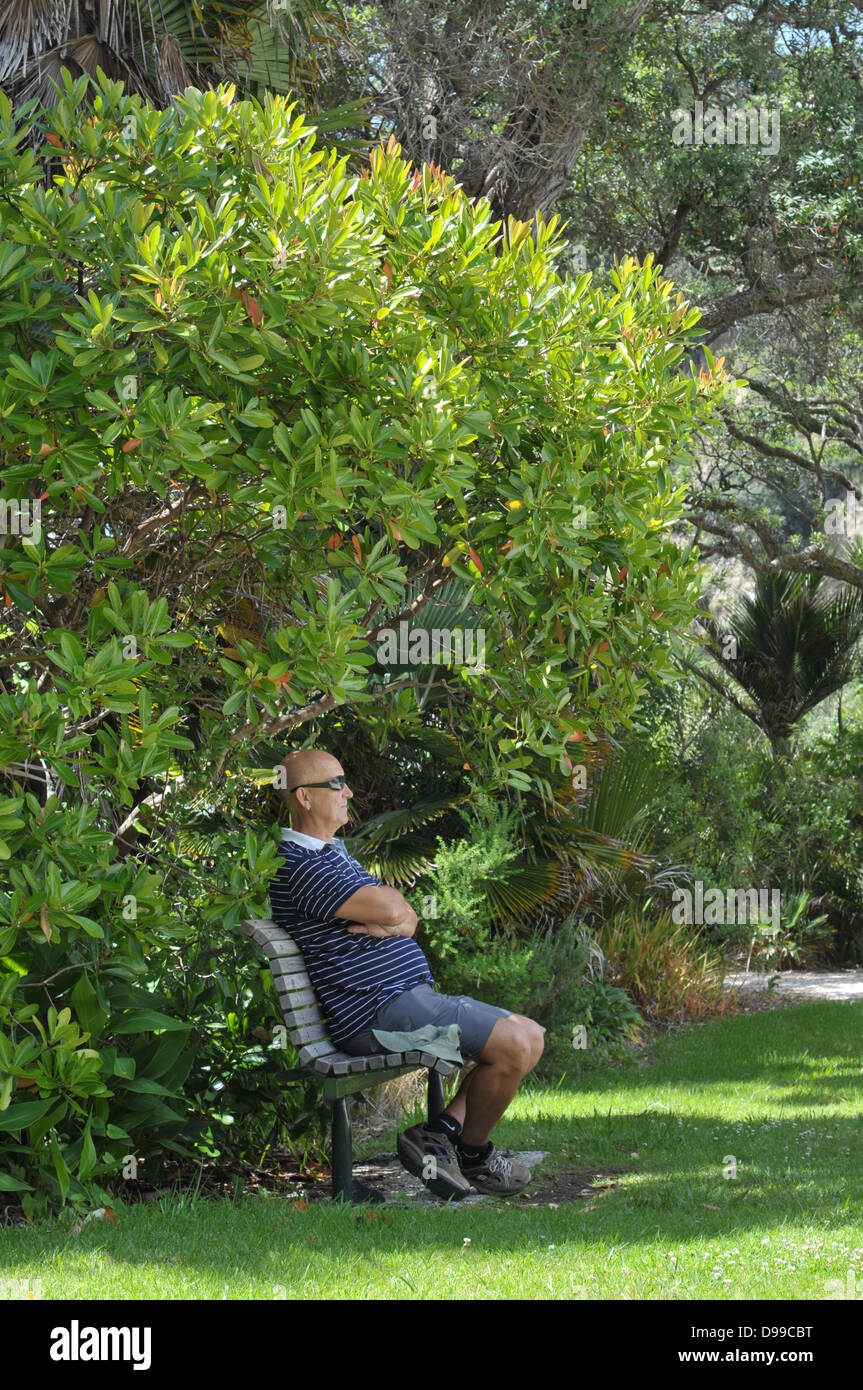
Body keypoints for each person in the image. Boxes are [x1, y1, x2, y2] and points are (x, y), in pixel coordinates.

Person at [268, 748, 545, 1200]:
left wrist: (393, 916)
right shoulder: (300, 866)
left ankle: (441, 1133)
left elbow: (408, 919)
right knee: (514, 1045)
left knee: (530, 1036)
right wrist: (390, 915)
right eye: (337, 784)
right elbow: (396, 908)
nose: (348, 793)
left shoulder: (332, 856)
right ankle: (473, 1155)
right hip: (376, 1013)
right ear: (304, 797)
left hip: (401, 1001)